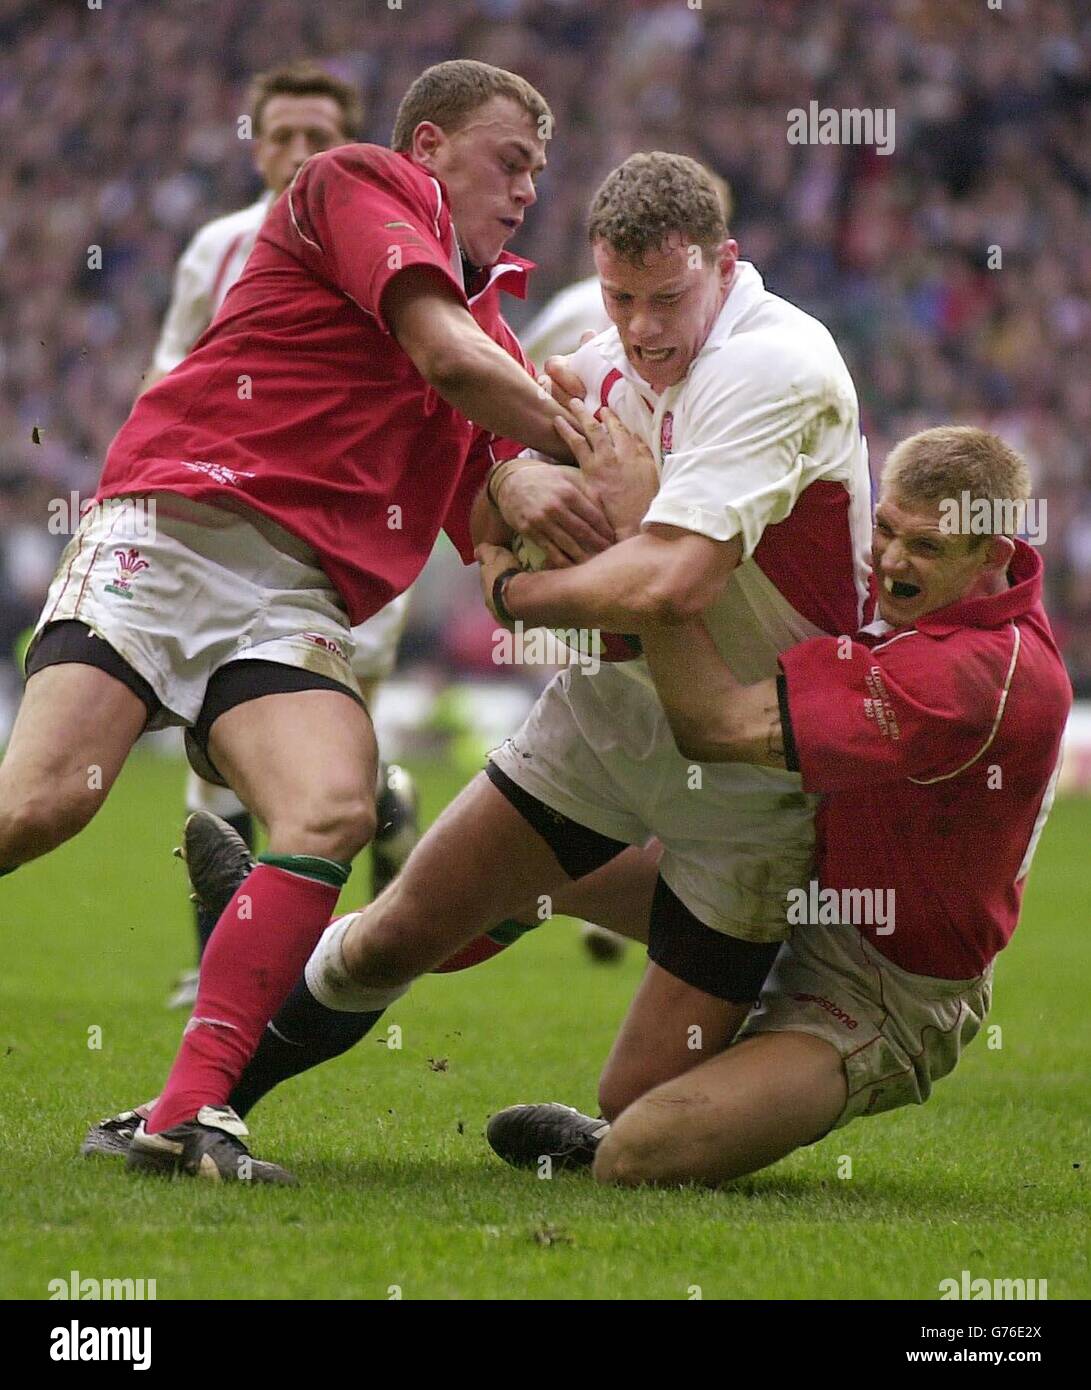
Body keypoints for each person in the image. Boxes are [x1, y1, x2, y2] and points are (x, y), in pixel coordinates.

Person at [86, 150, 872, 1170]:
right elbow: (471, 466)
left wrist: (513, 590)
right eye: (619, 297)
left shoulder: (775, 367)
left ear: (725, 265)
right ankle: (190, 1116)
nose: (640, 329)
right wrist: (507, 499)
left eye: (666, 298)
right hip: (609, 716)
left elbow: (670, 583)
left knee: (636, 1104)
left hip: (755, 771)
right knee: (392, 935)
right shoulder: (598, 370)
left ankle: (545, 906)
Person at [3, 59, 616, 1184]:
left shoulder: (490, 329)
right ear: (427, 146)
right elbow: (445, 362)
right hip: (174, 531)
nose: (528, 188)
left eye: (539, 169)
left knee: (331, 807)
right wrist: (582, 451)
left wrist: (520, 512)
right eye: (508, 160)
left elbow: (478, 510)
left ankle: (188, 1117)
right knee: (42, 804)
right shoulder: (353, 182)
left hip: (292, 595)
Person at [488, 426, 1072, 1185]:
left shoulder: (974, 678)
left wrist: (643, 555)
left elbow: (716, 725)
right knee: (515, 862)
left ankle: (634, 1125)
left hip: (880, 987)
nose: (891, 561)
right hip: (799, 884)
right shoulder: (929, 600)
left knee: (637, 1153)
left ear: (991, 555)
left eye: (924, 548)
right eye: (887, 530)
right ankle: (348, 969)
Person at [142, 62, 419, 1011]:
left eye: (320, 138)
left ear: (351, 147)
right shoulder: (215, 250)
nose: (299, 155)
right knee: (208, 735)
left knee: (323, 753)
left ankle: (334, 901)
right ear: (255, 144)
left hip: (346, 545)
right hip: (224, 538)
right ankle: (222, 960)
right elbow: (170, 378)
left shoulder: (391, 246)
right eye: (282, 136)